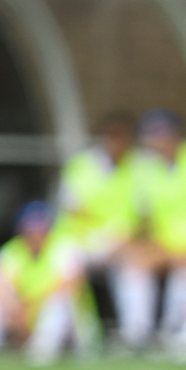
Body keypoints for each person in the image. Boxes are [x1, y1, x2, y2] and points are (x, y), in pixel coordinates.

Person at [120, 109, 186, 358]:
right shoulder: (145, 166)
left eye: (159, 135)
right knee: (134, 265)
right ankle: (137, 334)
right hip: (166, 245)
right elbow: (143, 217)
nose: (154, 142)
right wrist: (145, 246)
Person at [0, 201, 96, 364]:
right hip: (25, 318)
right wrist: (13, 310)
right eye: (31, 229)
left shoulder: (64, 247)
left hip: (71, 329)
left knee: (59, 303)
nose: (36, 234)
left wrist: (32, 308)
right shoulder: (13, 251)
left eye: (40, 228)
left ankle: (43, 349)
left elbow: (73, 284)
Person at [56, 112, 143, 304]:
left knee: (136, 267)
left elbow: (145, 212)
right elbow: (72, 207)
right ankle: (79, 330)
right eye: (114, 136)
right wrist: (104, 229)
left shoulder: (140, 166)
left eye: (123, 136)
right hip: (81, 238)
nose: (118, 142)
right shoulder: (80, 165)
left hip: (120, 239)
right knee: (66, 269)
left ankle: (136, 330)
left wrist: (121, 235)